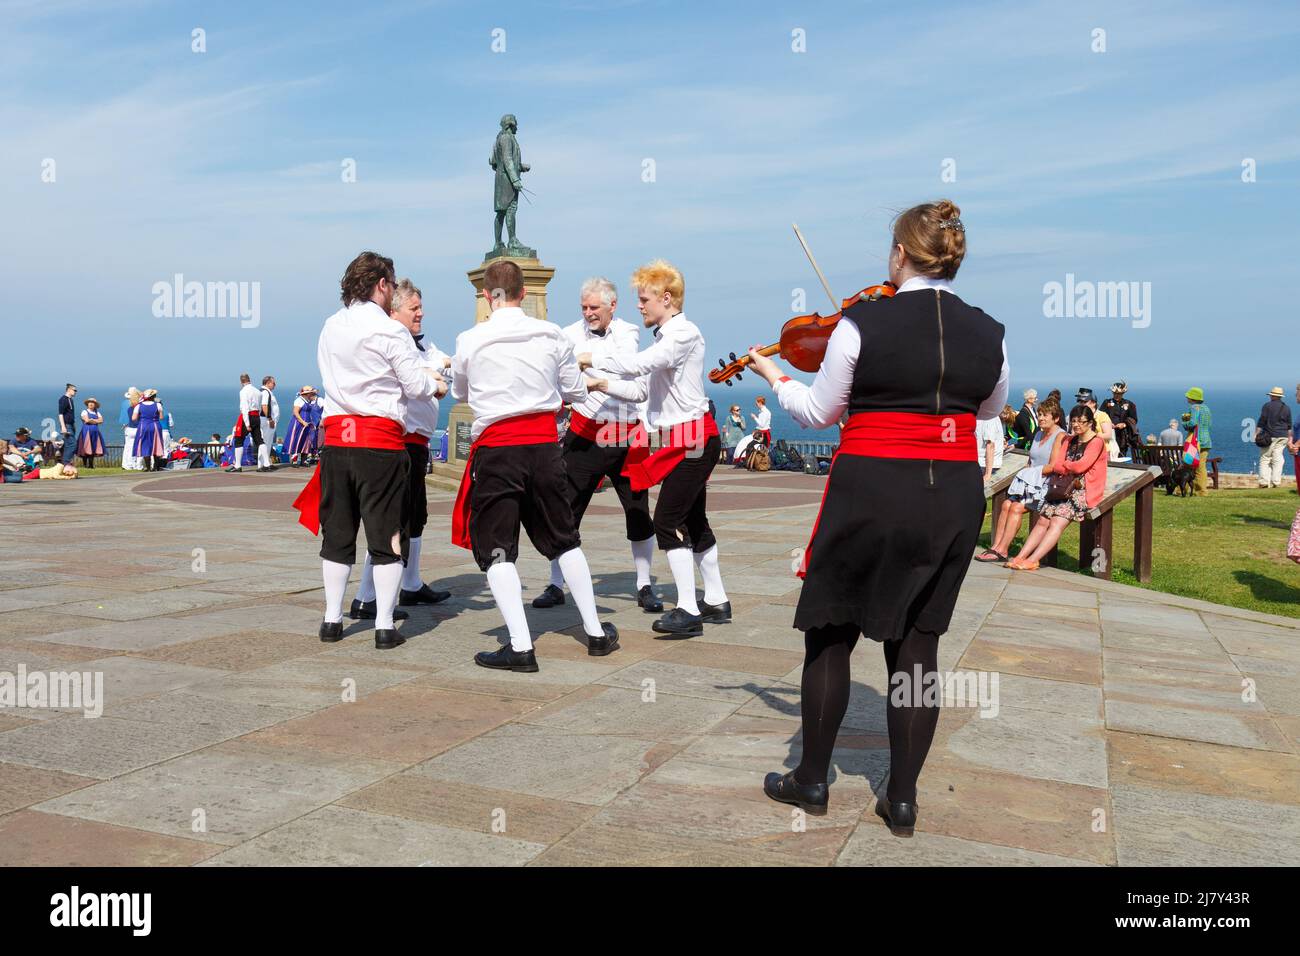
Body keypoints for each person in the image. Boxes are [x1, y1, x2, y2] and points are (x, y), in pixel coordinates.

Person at [744, 199, 1008, 833]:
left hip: (871, 489)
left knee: (832, 631)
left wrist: (773, 376)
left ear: (899, 255)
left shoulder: (861, 324)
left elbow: (817, 413)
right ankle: (904, 796)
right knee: (919, 644)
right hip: (951, 494)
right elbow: (990, 408)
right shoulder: (991, 332)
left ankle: (811, 780)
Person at [450, 259, 618, 670]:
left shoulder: (470, 339)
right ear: (525, 293)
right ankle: (596, 632)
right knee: (565, 538)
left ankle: (521, 645)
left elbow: (460, 389)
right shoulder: (551, 334)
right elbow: (576, 392)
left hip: (498, 448)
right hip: (544, 447)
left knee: (497, 548)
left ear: (489, 297)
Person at [291, 251, 444, 651]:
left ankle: (331, 618)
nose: (393, 292)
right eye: (391, 285)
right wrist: (435, 384)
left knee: (337, 534)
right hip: (379, 443)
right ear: (381, 284)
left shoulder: (330, 325)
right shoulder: (390, 331)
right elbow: (414, 386)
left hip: (338, 443)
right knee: (386, 535)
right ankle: (383, 624)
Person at [581, 259, 730, 638]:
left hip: (692, 440)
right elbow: (642, 390)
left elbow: (636, 366)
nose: (640, 306)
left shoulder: (682, 334)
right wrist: (601, 385)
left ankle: (687, 609)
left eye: (644, 299)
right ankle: (715, 599)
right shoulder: (667, 337)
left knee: (666, 520)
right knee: (693, 521)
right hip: (687, 439)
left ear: (667, 298)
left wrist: (589, 357)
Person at [531, 277, 662, 614]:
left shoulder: (629, 332)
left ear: (612, 307)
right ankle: (555, 583)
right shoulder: (567, 334)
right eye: (584, 307)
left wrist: (590, 361)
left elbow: (627, 369)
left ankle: (644, 584)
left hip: (627, 432)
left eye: (595, 308)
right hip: (586, 431)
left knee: (638, 510)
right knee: (567, 510)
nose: (588, 313)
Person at [352, 279, 453, 619]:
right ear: (394, 310)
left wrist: (439, 368)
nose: (421, 314)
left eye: (421, 307)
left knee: (415, 518)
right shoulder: (391, 342)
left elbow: (442, 364)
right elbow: (418, 377)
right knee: (391, 523)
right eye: (414, 308)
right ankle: (367, 597)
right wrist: (435, 371)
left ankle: (410, 585)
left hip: (418, 444)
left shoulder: (421, 344)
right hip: (399, 442)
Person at [1008, 404, 1108, 570]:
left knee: (1056, 522)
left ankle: (1034, 559)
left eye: (1081, 422)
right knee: (1042, 520)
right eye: (1074, 421)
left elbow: (1081, 466)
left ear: (1090, 423)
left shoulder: (1096, 442)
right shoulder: (1069, 440)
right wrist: (1069, 466)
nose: (1076, 425)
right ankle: (1020, 556)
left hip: (1081, 491)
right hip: (1061, 487)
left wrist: (1067, 465)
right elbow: (1056, 465)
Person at [977, 398, 1067, 562]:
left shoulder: (1060, 436)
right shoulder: (1039, 434)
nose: (1040, 418)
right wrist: (1025, 475)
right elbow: (1031, 460)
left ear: (1056, 418)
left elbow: (1052, 466)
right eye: (1039, 414)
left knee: (1016, 508)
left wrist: (1028, 474)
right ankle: (996, 546)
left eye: (1045, 415)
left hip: (1045, 485)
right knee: (1006, 504)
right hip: (1029, 483)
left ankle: (1003, 550)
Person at [1257, 386, 1292, 489]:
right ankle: (1276, 482)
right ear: (1280, 396)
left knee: (1265, 458)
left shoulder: (1267, 406)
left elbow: (1261, 421)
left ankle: (1264, 482)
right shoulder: (1286, 407)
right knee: (1278, 458)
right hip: (1283, 437)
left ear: (1272, 395)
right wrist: (1289, 438)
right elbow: (1289, 425)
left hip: (1269, 436)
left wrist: (1256, 434)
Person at [1183, 387, 1213, 495]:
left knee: (1188, 464)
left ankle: (1183, 489)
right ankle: (1201, 490)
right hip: (1206, 441)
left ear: (1192, 398)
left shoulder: (1194, 408)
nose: (1187, 398)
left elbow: (1193, 423)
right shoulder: (1206, 409)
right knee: (1201, 466)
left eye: (1188, 396)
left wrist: (1184, 423)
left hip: (1195, 441)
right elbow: (1209, 425)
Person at [1076, 388, 1118, 460]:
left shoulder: (1102, 416)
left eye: (1084, 401)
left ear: (1093, 403)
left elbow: (1108, 435)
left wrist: (1090, 435)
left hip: (1101, 452)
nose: (1081, 404)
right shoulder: (1077, 416)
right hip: (1083, 451)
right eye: (1079, 401)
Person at [1101, 381, 1139, 458]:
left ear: (1123, 393)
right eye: (1115, 393)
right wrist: (1108, 424)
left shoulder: (1129, 404)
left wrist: (1124, 424)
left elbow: (1134, 419)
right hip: (1108, 433)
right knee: (1108, 454)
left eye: (1119, 394)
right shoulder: (1106, 403)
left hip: (1122, 435)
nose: (1117, 395)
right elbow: (1101, 416)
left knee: (1121, 454)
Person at [131, 389, 165, 471]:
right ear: (154, 397)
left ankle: (148, 467)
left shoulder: (139, 406)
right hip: (155, 426)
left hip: (143, 426)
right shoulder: (158, 405)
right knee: (156, 445)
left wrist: (141, 417)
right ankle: (155, 467)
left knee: (145, 445)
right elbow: (161, 417)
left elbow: (133, 418)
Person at [257, 376, 279, 472]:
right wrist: (270, 419)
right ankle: (262, 464)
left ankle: (267, 463)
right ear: (268, 383)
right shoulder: (265, 392)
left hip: (267, 420)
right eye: (273, 383)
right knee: (265, 442)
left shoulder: (267, 392)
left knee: (268, 442)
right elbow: (264, 406)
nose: (275, 385)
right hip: (266, 420)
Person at [976, 410, 1005, 484]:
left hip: (985, 465)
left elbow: (990, 445)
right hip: (979, 462)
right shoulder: (981, 416)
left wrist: (987, 474)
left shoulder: (989, 418)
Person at [77, 398, 106, 467]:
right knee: (86, 447)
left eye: (93, 402)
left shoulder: (97, 412)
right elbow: (87, 420)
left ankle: (91, 465)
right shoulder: (84, 411)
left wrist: (92, 420)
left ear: (95, 405)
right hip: (86, 431)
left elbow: (101, 420)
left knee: (93, 447)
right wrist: (96, 420)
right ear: (87, 404)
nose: (91, 403)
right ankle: (85, 465)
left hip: (95, 432)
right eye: (90, 402)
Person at [119, 388, 142, 471]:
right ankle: (136, 465)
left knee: (128, 447)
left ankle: (126, 464)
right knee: (138, 447)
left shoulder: (125, 405)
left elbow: (123, 417)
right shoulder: (139, 407)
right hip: (137, 428)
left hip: (128, 428)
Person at [57, 384, 78, 467]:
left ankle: (65, 463)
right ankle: (66, 462)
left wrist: (73, 424)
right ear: (69, 390)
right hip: (67, 425)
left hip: (71, 425)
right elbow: (60, 414)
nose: (75, 392)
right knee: (73, 444)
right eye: (74, 390)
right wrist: (63, 427)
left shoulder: (70, 400)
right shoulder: (63, 399)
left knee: (67, 444)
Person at [1290, 384, 1300, 495]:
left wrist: (1297, 444)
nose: (1295, 394)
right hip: (1297, 454)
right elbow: (1295, 429)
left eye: (1297, 391)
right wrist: (1290, 442)